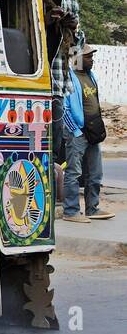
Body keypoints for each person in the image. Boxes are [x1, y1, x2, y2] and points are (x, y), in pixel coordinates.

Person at [42, 0, 84, 163]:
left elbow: (78, 52)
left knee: (54, 150)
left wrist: (74, 30)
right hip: (31, 84)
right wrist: (44, 23)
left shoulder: (70, 2)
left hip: (57, 85)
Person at [62, 46, 113, 222]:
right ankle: (71, 212)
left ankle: (92, 208)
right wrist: (75, 131)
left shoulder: (91, 76)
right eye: (88, 57)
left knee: (95, 173)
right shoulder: (69, 77)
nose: (92, 60)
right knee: (74, 173)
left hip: (93, 132)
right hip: (77, 133)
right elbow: (64, 108)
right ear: (77, 58)